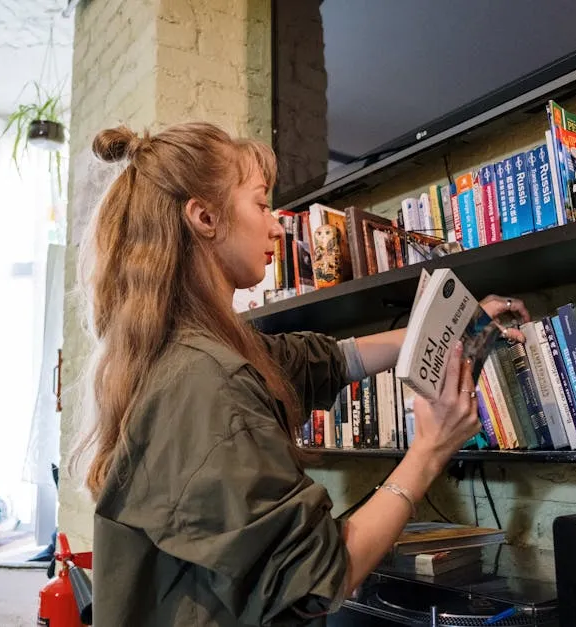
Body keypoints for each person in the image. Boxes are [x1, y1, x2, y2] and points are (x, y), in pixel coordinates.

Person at [73, 121, 530, 626]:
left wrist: (459, 326)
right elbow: (319, 580)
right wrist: (429, 452)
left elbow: (319, 361)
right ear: (204, 217)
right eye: (261, 204)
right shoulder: (207, 381)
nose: (276, 226)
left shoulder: (192, 351)